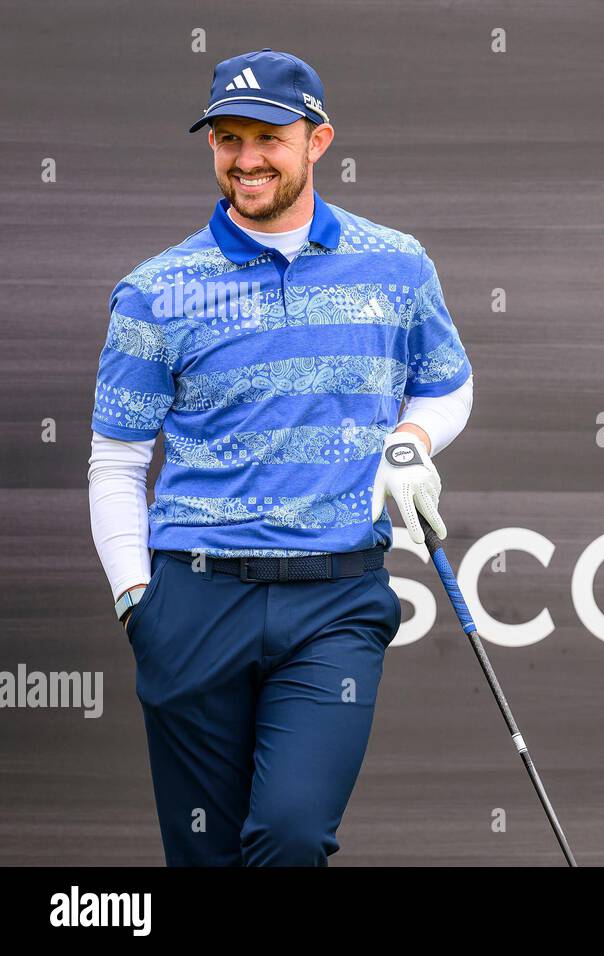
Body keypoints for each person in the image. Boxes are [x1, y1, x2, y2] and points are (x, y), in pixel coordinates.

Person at [86, 48, 473, 866]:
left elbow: (446, 387)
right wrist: (135, 602)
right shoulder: (157, 290)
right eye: (227, 139)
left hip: (334, 599)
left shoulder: (395, 265)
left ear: (318, 140)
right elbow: (116, 461)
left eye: (267, 136)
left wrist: (410, 442)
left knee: (291, 836)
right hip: (193, 599)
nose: (247, 159)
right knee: (208, 858)